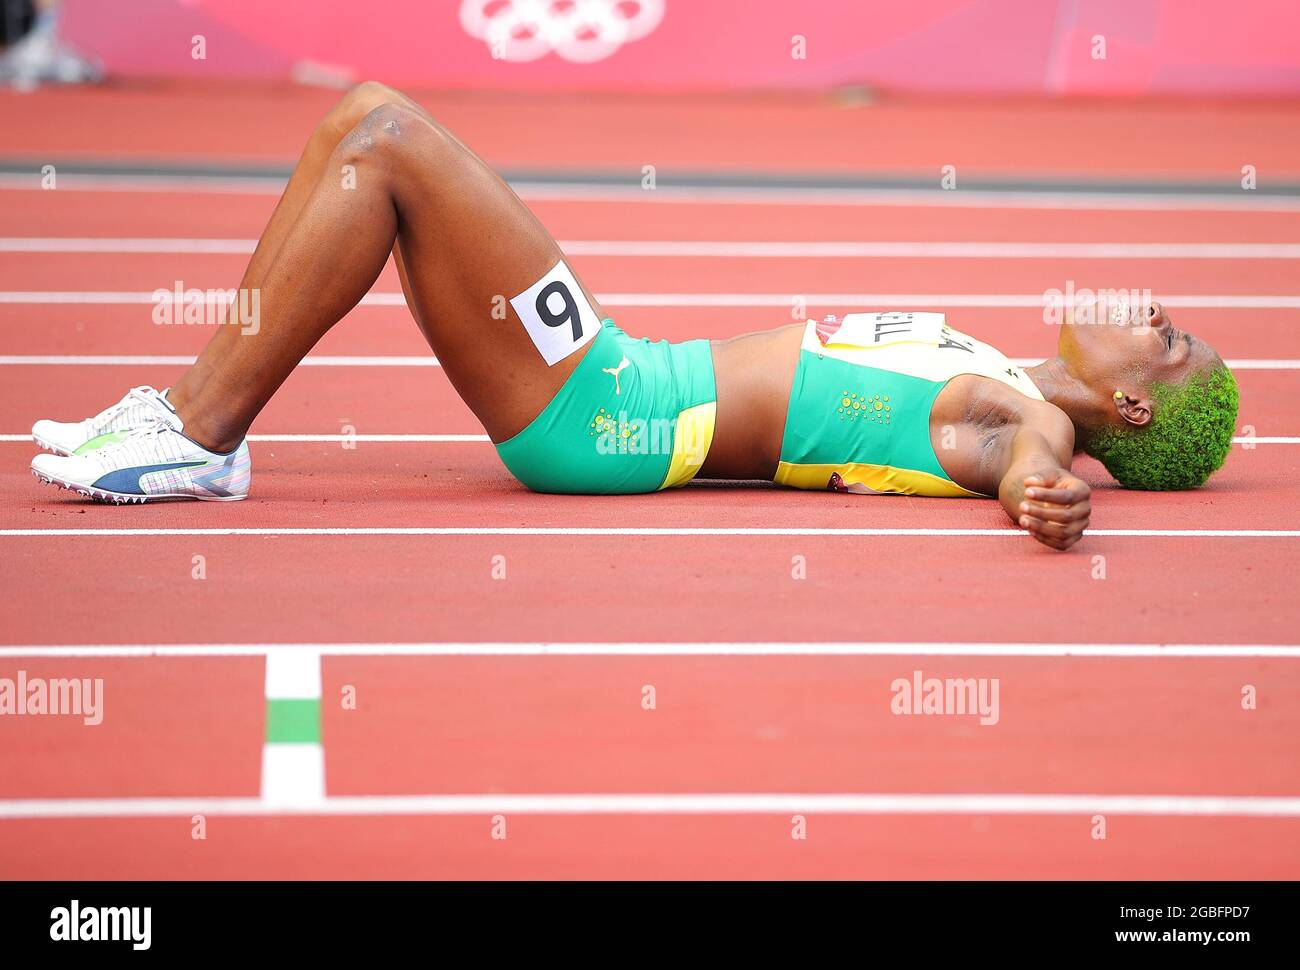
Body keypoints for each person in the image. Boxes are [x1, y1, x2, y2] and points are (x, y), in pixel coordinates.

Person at [29, 83, 1239, 552]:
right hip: (615, 381)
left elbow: (1023, 458)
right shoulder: (991, 358)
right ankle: (197, 424)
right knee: (362, 129)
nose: (1147, 312)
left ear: (1130, 405)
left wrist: (1047, 490)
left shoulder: (1021, 412)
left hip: (609, 414)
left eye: (1166, 335)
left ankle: (198, 429)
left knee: (388, 138)